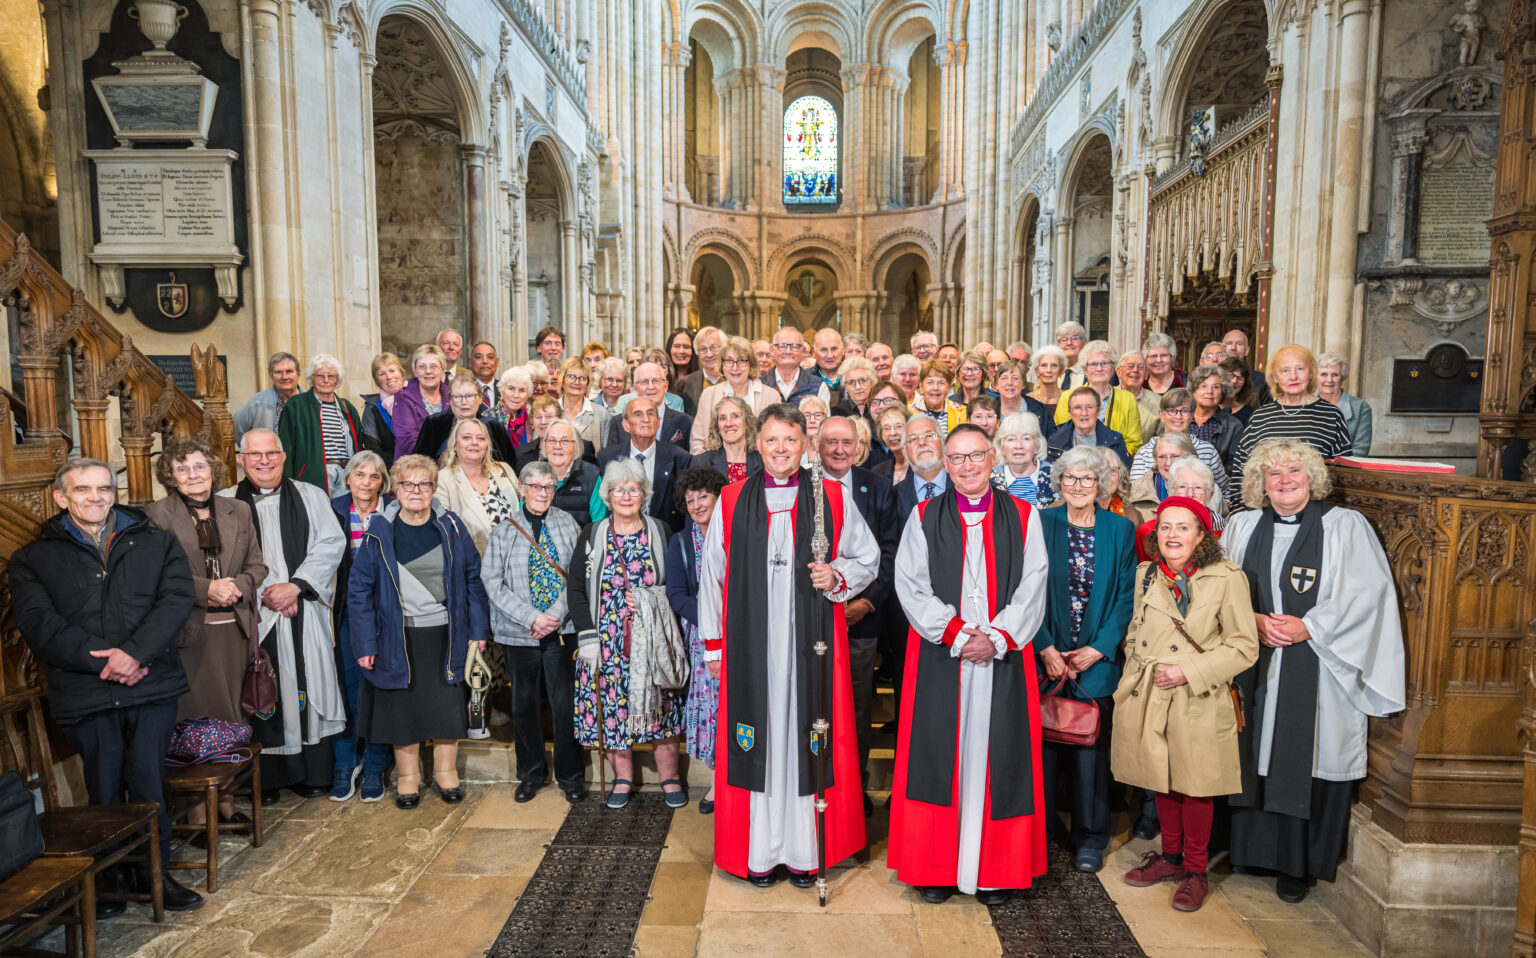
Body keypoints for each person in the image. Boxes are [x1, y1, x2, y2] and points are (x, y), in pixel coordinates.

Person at [696, 404, 880, 887]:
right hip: (750, 646)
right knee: (760, 738)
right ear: (759, 445)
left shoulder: (831, 496)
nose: (781, 449)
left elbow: (868, 557)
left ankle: (803, 851)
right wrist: (714, 648)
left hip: (810, 646)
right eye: (772, 441)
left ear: (806, 445)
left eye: (790, 441)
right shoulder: (733, 500)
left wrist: (837, 574)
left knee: (806, 740)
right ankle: (761, 853)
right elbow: (712, 576)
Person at [11, 458, 205, 912]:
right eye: (83, 490)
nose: (96, 497)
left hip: (150, 684)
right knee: (102, 788)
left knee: (147, 784)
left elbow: (175, 599)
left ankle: (155, 874)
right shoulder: (33, 558)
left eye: (104, 489)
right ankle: (110, 879)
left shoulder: (155, 541)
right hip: (87, 692)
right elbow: (41, 625)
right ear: (62, 497)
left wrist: (135, 653)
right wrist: (107, 662)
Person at [1223, 440, 1405, 903]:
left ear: (1312, 478)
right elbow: (1220, 587)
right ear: (1260, 483)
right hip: (1255, 660)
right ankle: (1249, 851)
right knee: (1254, 747)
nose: (1283, 481)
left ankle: (1296, 865)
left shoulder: (1345, 526)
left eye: (1293, 472)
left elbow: (1368, 593)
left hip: (1319, 662)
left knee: (1307, 750)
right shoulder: (1242, 527)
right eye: (1273, 474)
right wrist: (1255, 619)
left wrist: (1310, 625)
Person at [888, 424, 1050, 904]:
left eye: (974, 456)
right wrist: (956, 632)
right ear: (944, 462)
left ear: (993, 456)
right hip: (943, 655)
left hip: (1003, 656)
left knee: (1000, 758)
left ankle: (995, 871)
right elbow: (910, 585)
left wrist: (998, 636)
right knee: (937, 758)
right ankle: (935, 868)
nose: (966, 467)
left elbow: (1034, 584)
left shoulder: (1023, 515)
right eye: (955, 459)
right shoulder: (923, 515)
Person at [1111, 496, 1258, 913]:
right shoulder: (1146, 575)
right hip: (1151, 691)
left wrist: (1188, 672)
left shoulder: (1227, 578)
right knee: (1161, 778)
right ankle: (1170, 858)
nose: (1172, 535)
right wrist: (1137, 672)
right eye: (1165, 527)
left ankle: (1195, 870)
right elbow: (1135, 631)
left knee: (1196, 786)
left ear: (1201, 535)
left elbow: (1244, 647)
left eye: (1182, 527)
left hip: (1199, 694)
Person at [349, 454, 490, 809]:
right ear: (395, 488)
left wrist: (478, 631)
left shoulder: (451, 525)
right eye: (408, 484)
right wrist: (365, 643)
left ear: (433, 488)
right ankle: (409, 778)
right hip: (397, 638)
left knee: (445, 708)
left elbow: (474, 580)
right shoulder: (380, 530)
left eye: (424, 484)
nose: (416, 491)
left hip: (445, 635)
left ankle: (446, 774)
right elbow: (359, 591)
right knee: (403, 711)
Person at [145, 437, 267, 829]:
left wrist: (239, 585)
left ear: (212, 469)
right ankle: (198, 815)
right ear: (171, 476)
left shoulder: (240, 510)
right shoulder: (156, 516)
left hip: (235, 630)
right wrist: (206, 590)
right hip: (189, 635)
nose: (193, 474)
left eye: (199, 466)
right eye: (182, 468)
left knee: (232, 714)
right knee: (196, 720)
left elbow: (258, 565)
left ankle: (227, 802)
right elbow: (157, 575)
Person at [224, 429, 348, 802]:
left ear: (283, 456)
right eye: (255, 454)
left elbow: (331, 544)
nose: (264, 461)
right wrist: (268, 594)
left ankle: (310, 773)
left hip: (303, 609)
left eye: (271, 453)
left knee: (306, 686)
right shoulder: (227, 501)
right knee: (258, 689)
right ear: (240, 458)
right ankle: (265, 779)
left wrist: (295, 586)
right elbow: (222, 560)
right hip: (254, 614)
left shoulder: (311, 496)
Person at [1034, 446, 1136, 873]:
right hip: (1047, 657)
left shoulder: (1121, 529)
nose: (1078, 487)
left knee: (1089, 753)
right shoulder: (1039, 523)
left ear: (1102, 484)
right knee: (1043, 752)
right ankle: (1042, 830)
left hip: (1095, 659)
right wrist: (1045, 646)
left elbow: (1127, 596)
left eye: (1087, 479)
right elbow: (1025, 590)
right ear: (1059, 483)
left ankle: (1091, 836)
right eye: (1070, 479)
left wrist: (1099, 648)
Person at [569, 460, 686, 808]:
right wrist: (588, 637)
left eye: (634, 489)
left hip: (651, 642)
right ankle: (623, 777)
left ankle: (670, 776)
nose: (626, 496)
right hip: (606, 642)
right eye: (619, 490)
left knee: (660, 708)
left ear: (643, 495)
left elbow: (677, 584)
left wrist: (654, 598)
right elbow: (576, 588)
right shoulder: (592, 534)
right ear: (607, 495)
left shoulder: (660, 531)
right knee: (613, 709)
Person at [482, 460, 588, 805]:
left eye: (548, 487)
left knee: (564, 706)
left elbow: (578, 574)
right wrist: (531, 617)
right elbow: (492, 584)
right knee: (524, 705)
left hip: (560, 630)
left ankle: (571, 776)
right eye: (536, 486)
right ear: (523, 488)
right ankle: (530, 774)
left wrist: (555, 615)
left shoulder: (568, 523)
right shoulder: (504, 530)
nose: (542, 493)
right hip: (519, 633)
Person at [818, 416, 899, 817]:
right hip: (812, 618)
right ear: (816, 446)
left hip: (860, 620)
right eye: (830, 442)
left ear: (859, 447)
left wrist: (865, 603)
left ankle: (855, 787)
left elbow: (889, 551)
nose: (838, 449)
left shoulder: (879, 487)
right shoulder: (805, 487)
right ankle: (817, 784)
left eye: (846, 442)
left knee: (857, 707)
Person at [328, 452, 395, 803]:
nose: (366, 483)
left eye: (374, 477)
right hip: (347, 612)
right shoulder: (334, 509)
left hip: (387, 612)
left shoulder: (394, 510)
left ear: (382, 481)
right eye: (359, 475)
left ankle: (375, 764)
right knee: (349, 688)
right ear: (348, 479)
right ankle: (345, 762)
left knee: (381, 690)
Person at [666, 465, 730, 814]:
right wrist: (711, 620)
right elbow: (677, 595)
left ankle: (739, 778)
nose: (697, 505)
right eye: (690, 500)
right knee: (710, 709)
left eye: (704, 496)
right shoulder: (680, 543)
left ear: (719, 497)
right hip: (702, 639)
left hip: (740, 632)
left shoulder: (738, 535)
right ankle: (716, 783)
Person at [1226, 345, 1352, 507]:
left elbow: (1346, 475)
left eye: (1300, 369)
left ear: (1311, 373)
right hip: (1264, 512)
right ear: (1275, 377)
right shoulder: (1260, 416)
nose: (1293, 376)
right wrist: (1242, 513)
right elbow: (1240, 472)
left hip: (1317, 513)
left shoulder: (1332, 415)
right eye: (1285, 370)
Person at [598, 397, 692, 529]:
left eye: (651, 413)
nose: (646, 419)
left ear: (658, 422)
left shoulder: (680, 458)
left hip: (666, 537)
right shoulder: (607, 458)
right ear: (626, 425)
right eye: (638, 414)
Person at [433, 418, 524, 553]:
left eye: (480, 438)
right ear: (454, 445)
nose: (474, 442)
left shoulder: (503, 470)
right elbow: (445, 532)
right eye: (466, 437)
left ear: (487, 444)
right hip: (474, 566)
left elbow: (524, 508)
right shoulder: (442, 481)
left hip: (516, 558)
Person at [277, 353, 362, 493]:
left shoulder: (347, 407)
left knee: (344, 514)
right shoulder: (296, 405)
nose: (326, 380)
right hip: (314, 475)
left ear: (337, 379)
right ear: (311, 378)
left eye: (331, 376)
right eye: (320, 376)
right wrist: (287, 483)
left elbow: (359, 443)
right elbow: (285, 446)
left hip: (347, 475)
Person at [1129, 388, 1231, 499]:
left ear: (1192, 415)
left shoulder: (1207, 451)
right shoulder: (1145, 452)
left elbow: (1224, 490)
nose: (1178, 416)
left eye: (1185, 411)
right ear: (1161, 415)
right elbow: (1135, 493)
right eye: (1172, 410)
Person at [1053, 340, 1144, 455]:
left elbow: (1134, 443)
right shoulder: (1068, 397)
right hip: (1074, 464)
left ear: (1112, 369)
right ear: (1085, 370)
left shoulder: (1128, 399)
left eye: (1104, 363)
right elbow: (1060, 437)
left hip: (1114, 467)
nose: (1099, 368)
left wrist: (1110, 460)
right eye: (1093, 364)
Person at [691, 335, 775, 453]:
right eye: (729, 361)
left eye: (741, 361)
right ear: (722, 364)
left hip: (759, 467)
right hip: (715, 468)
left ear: (750, 364)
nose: (735, 368)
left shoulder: (771, 396)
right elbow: (697, 442)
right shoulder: (708, 395)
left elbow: (774, 441)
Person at [413, 375, 518, 463]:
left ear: (480, 398)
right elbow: (419, 463)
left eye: (469, 396)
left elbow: (509, 464)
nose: (464, 402)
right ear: (450, 400)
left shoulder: (494, 427)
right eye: (457, 397)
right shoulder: (434, 423)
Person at [606, 360, 695, 448]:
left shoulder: (686, 422)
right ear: (636, 388)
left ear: (665, 386)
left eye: (656, 380)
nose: (651, 387)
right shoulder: (618, 423)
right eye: (644, 381)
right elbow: (611, 459)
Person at [391, 344, 451, 460]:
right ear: (415, 371)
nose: (428, 371)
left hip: (449, 468)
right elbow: (410, 443)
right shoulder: (403, 399)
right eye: (422, 367)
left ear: (442, 370)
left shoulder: (452, 396)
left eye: (433, 366)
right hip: (413, 469)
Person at [1048, 386, 1131, 467]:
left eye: (1089, 407)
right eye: (1078, 408)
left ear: (1098, 410)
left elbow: (1124, 477)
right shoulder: (1053, 441)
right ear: (1070, 412)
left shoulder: (1116, 441)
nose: (1084, 413)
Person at [1185, 366, 1246, 475]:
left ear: (1223, 392)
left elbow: (1234, 466)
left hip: (1216, 487)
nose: (1209, 391)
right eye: (1203, 386)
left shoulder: (1234, 426)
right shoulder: (1181, 418)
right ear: (1194, 390)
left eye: (1216, 387)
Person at [545, 418, 606, 527]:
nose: (557, 446)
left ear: (576, 446)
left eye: (565, 441)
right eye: (552, 440)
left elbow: (599, 527)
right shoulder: (533, 476)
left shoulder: (592, 477)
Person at [233, 351, 301, 444]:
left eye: (289, 371)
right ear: (271, 375)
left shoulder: (311, 401)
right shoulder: (258, 402)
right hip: (271, 458)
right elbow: (235, 428)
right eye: (278, 372)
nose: (284, 377)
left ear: (298, 374)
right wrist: (253, 451)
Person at [1129, 433, 1201, 519]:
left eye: (1175, 456)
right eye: (1162, 457)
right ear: (1155, 459)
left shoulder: (1207, 489)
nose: (1168, 463)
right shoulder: (1136, 491)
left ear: (1190, 458)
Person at [991, 412, 1055, 507]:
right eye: (1011, 439)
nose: (1019, 446)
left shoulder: (1055, 476)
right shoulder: (990, 479)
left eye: (1026, 438)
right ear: (1001, 446)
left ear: (1037, 445)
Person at [695, 394, 763, 481]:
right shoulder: (701, 462)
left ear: (747, 422)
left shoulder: (764, 462)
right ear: (717, 426)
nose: (729, 423)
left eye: (735, 416)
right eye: (723, 418)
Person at [1316, 352, 1372, 456]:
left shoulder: (1361, 408)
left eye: (1335, 375)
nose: (1329, 380)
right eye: (1324, 374)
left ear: (1342, 378)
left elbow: (1360, 451)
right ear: (1315, 377)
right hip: (1309, 470)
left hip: (1344, 471)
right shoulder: (1304, 403)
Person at [555, 356, 612, 451]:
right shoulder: (550, 410)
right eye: (571, 377)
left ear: (588, 383)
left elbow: (607, 454)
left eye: (582, 378)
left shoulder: (602, 414)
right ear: (562, 379)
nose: (577, 382)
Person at [360, 352, 407, 463]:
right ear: (377, 380)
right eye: (382, 374)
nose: (389, 377)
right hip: (389, 470)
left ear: (401, 373)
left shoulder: (418, 398)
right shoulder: (372, 408)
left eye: (392, 371)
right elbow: (373, 449)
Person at [764, 327, 830, 404]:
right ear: (772, 350)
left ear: (803, 351)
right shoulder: (760, 385)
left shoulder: (818, 386)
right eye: (782, 346)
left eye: (794, 346)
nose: (788, 351)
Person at [911, 360, 966, 439]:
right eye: (930, 382)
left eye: (941, 383)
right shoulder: (909, 413)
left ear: (948, 388)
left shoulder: (962, 413)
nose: (935, 388)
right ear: (921, 387)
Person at [675, 326, 724, 412]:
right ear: (697, 353)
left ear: (723, 349)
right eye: (703, 349)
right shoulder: (685, 384)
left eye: (713, 347)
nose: (709, 354)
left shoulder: (734, 379)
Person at [1118, 350, 1161, 442]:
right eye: (1130, 366)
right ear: (1119, 372)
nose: (1135, 370)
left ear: (1146, 375)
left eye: (1141, 367)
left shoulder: (1159, 402)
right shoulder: (1107, 397)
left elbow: (1163, 439)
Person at [487, 365, 532, 449]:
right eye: (511, 388)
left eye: (522, 390)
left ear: (528, 394)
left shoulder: (532, 419)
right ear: (502, 390)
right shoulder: (488, 418)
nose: (516, 395)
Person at [1222, 329, 1271, 403]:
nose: (1233, 348)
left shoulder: (1261, 379)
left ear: (1246, 350)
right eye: (1229, 343)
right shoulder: (1214, 376)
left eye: (1239, 343)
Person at [994, 358, 1050, 424]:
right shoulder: (987, 410)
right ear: (996, 385)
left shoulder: (1041, 411)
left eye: (1015, 378)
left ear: (1023, 384)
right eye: (1004, 378)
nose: (1009, 383)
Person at [873, 404, 911, 483]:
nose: (893, 433)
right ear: (881, 434)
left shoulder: (923, 466)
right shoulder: (877, 472)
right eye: (887, 428)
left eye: (899, 426)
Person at [1219, 357, 1260, 425]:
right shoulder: (1207, 407)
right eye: (1230, 375)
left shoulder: (1251, 415)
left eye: (1240, 378)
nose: (1234, 381)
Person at [1027, 345, 1067, 409]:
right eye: (1044, 365)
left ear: (1061, 371)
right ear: (1037, 370)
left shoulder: (1069, 400)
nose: (1048, 370)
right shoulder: (1027, 400)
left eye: (1054, 366)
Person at [811, 328, 846, 399]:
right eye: (823, 350)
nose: (830, 355)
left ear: (842, 350)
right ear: (814, 352)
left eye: (834, 349)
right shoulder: (803, 380)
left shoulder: (854, 378)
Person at [468, 341, 500, 408]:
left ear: (497, 362)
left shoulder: (505, 389)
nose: (485, 361)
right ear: (470, 362)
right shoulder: (462, 390)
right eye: (478, 357)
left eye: (490, 357)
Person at [1055, 322, 1088, 388]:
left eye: (1074, 338)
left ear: (1084, 344)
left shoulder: (1092, 372)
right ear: (1058, 345)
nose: (1069, 343)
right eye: (1064, 339)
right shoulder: (1052, 372)